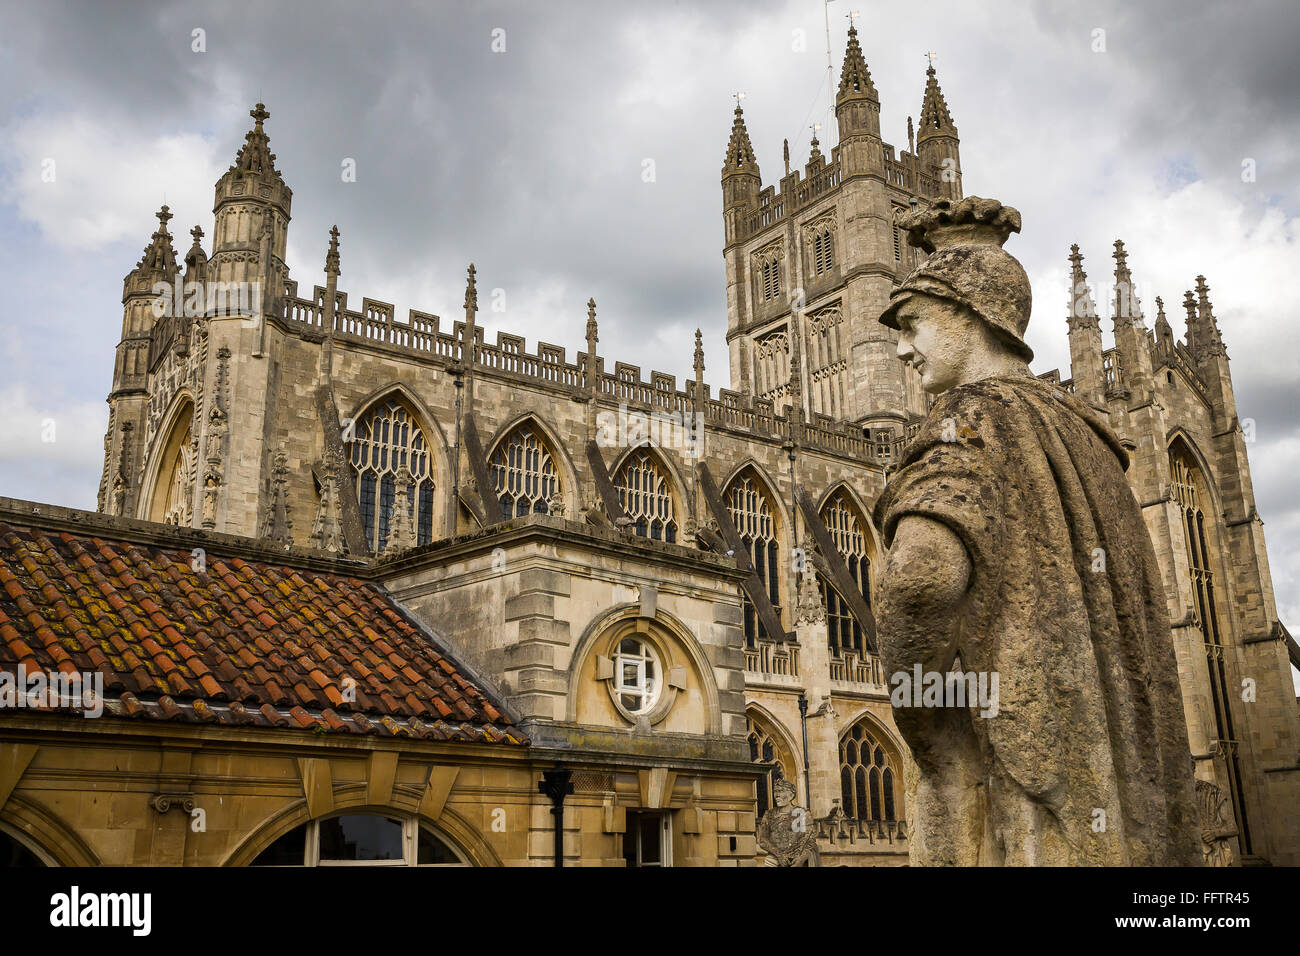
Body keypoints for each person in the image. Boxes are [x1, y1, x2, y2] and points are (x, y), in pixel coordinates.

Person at [872, 197, 1200, 866]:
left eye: (913, 324)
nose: (902, 348)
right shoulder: (1087, 435)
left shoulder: (966, 419)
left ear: (973, 317)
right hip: (1119, 776)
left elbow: (921, 579)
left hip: (1022, 770)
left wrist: (923, 714)